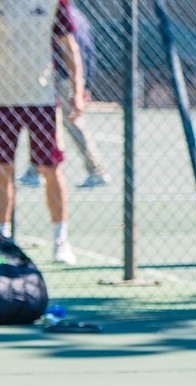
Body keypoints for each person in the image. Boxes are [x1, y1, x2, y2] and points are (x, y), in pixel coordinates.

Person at [0, 0, 85, 265]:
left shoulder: (54, 3)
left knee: (50, 168)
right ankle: (3, 241)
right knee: (2, 170)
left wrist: (77, 89)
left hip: (42, 99)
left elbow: (68, 45)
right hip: (3, 99)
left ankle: (61, 241)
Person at [18, 3, 110, 190]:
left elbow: (74, 51)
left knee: (71, 122)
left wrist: (79, 85)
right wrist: (86, 83)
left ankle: (96, 169)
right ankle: (36, 169)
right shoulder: (79, 17)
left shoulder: (59, 14)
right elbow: (90, 54)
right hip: (62, 77)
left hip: (60, 77)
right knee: (50, 123)